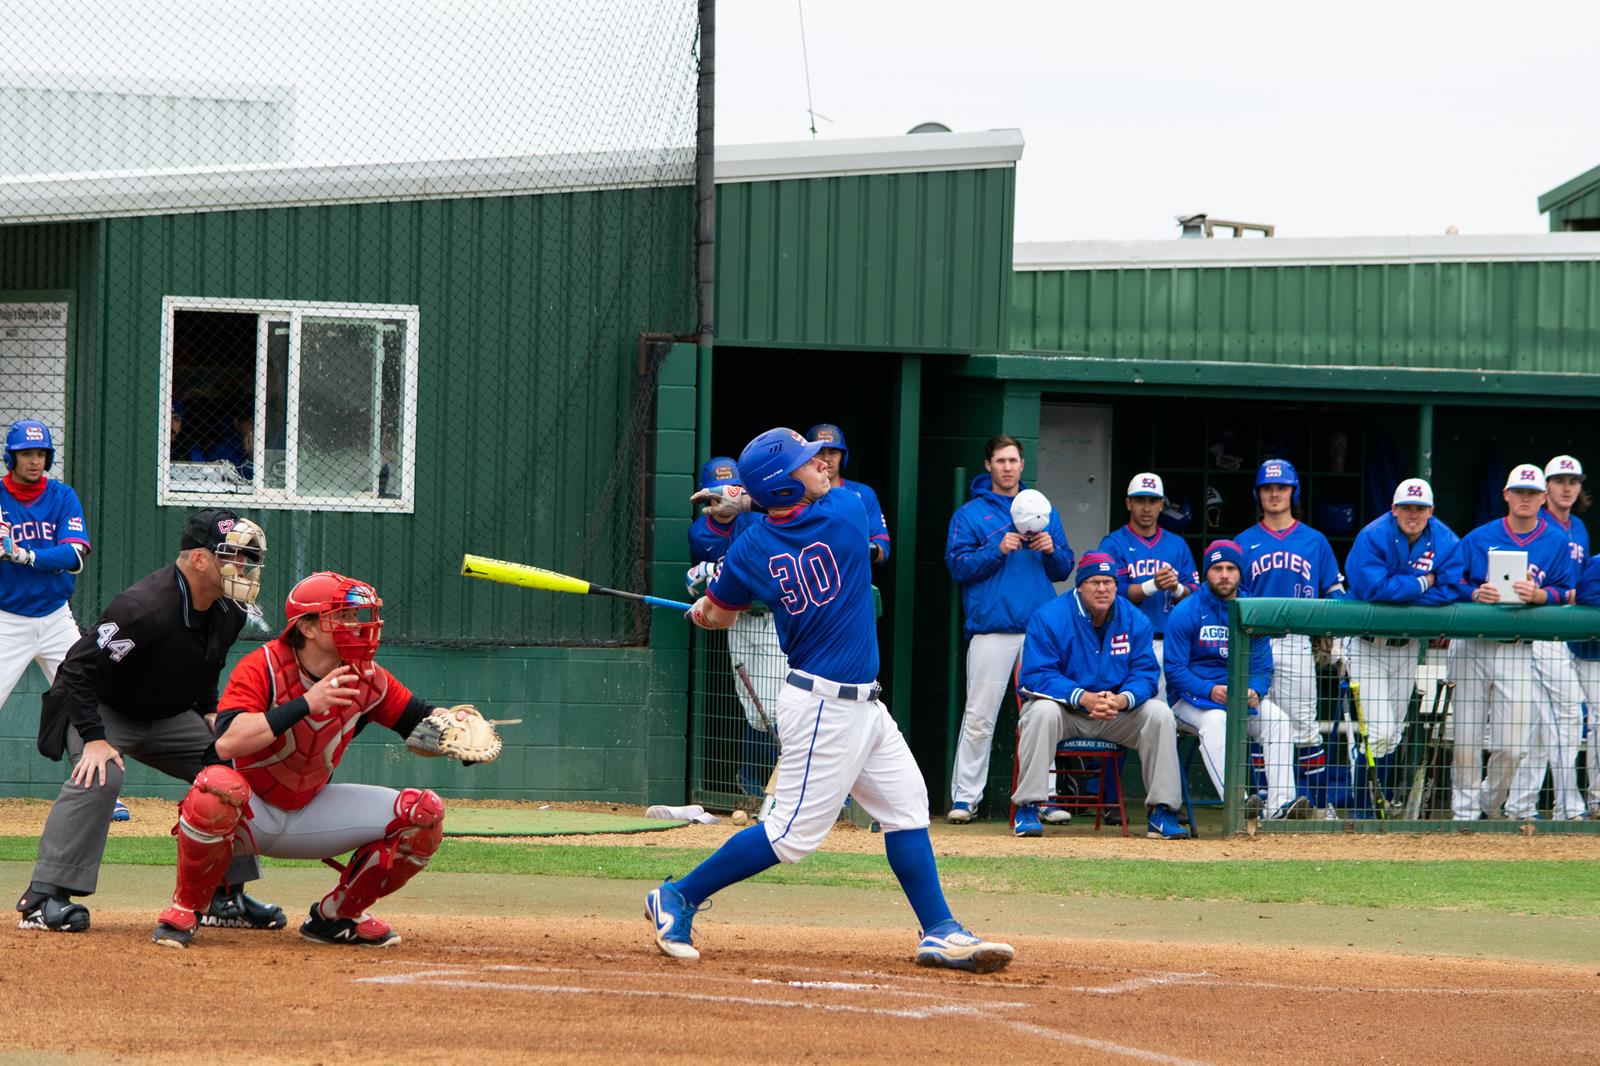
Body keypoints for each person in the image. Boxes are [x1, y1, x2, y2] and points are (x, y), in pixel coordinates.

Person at [656, 427, 1014, 972]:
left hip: (860, 705)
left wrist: (704, 608)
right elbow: (790, 509)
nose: (824, 466)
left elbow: (720, 613)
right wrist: (750, 503)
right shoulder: (846, 511)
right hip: (824, 706)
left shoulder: (751, 547)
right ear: (783, 487)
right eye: (809, 462)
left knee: (907, 807)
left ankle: (939, 930)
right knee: (790, 837)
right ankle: (676, 896)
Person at [151, 571, 460, 948]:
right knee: (214, 788)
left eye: (355, 616)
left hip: (312, 810)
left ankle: (336, 917)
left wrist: (456, 726)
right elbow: (229, 742)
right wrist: (306, 704)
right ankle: (187, 908)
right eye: (342, 616)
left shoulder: (367, 676)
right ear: (309, 627)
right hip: (251, 813)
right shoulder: (262, 666)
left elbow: (420, 718)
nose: (357, 625)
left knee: (424, 813)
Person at [17, 509, 279, 933]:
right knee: (100, 773)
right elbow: (78, 670)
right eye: (233, 556)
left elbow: (207, 665)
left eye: (247, 557)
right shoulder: (145, 608)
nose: (244, 566)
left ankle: (223, 896)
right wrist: (95, 738)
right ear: (198, 560)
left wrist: (211, 711)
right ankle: (44, 896)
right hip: (102, 708)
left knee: (228, 766)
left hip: (169, 715)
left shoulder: (228, 610)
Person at [1009, 552, 1189, 841]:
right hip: (1065, 712)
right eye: (1094, 582)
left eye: (1108, 582)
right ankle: (1029, 807)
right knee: (1040, 712)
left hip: (1114, 713)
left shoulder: (1134, 619)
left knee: (1160, 714)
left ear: (1117, 586)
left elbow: (1145, 674)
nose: (1103, 588)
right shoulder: (1050, 617)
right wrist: (1082, 697)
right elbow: (1035, 676)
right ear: (1080, 586)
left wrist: (1122, 700)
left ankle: (1162, 812)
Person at [944, 434, 1074, 824]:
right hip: (991, 628)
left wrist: (1051, 549)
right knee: (979, 716)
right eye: (1000, 460)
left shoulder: (1041, 507)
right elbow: (957, 567)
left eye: (1013, 460)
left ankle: (1045, 796)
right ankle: (966, 799)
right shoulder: (970, 514)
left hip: (1037, 630)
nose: (1007, 467)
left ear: (1022, 465)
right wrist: (996, 549)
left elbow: (1065, 568)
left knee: (1043, 713)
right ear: (988, 465)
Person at [1451, 464, 1576, 821]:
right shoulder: (1478, 537)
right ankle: (1463, 814)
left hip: (1519, 646)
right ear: (1507, 495)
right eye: (1519, 491)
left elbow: (1565, 590)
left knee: (1512, 746)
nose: (1525, 498)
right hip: (1473, 644)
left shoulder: (1556, 542)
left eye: (1532, 493)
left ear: (1542, 498)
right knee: (1466, 739)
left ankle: (1489, 804)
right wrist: (1475, 592)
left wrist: (1539, 596)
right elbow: (1451, 581)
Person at [1342, 478, 1462, 816]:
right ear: (1394, 509)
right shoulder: (1372, 535)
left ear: (1431, 511)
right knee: (1377, 730)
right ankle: (1362, 810)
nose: (1413, 513)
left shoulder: (1446, 539)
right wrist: (1424, 582)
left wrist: (1404, 592)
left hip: (1407, 645)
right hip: (1366, 642)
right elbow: (1373, 590)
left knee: (1391, 734)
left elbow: (1451, 589)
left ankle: (1380, 806)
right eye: (1407, 507)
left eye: (1420, 508)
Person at [1164, 539, 1304, 819]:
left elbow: (1263, 668)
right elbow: (1175, 670)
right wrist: (1209, 689)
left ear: (1240, 572)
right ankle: (1239, 804)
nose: (1224, 574)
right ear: (1207, 572)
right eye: (1217, 568)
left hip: (1238, 697)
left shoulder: (1252, 610)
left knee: (1278, 720)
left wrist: (1255, 690)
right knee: (1217, 721)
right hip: (1190, 701)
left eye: (1230, 568)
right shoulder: (1186, 611)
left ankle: (1279, 807)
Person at [1235, 459, 1345, 811]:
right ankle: (1268, 801)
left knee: (1303, 727)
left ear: (1292, 492)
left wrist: (1336, 637)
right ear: (1258, 494)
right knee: (1257, 722)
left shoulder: (1314, 541)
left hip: (1298, 641)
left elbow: (1335, 593)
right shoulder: (1243, 542)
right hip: (1255, 643)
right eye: (1268, 488)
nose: (1274, 494)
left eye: (1281, 488)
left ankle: (1317, 804)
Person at [0, 420, 98, 809]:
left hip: (57, 618)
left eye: (40, 454)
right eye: (26, 453)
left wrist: (24, 554)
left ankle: (99, 790)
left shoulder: (62, 496)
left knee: (88, 697)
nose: (35, 461)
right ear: (12, 457)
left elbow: (73, 556)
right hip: (7, 620)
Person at [685, 456, 779, 796]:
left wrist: (713, 572)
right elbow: (707, 588)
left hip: (772, 618)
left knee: (774, 705)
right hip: (735, 620)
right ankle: (753, 781)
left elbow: (755, 570)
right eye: (716, 492)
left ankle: (781, 786)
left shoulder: (757, 517)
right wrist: (701, 582)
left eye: (732, 489)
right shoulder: (699, 533)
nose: (724, 498)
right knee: (754, 709)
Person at [1504, 455, 1591, 821]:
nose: (1566, 488)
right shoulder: (1533, 528)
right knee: (1568, 714)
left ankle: (1521, 805)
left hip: (1567, 633)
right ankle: (1568, 807)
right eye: (1559, 481)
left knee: (1546, 724)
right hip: (1538, 631)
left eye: (1573, 481)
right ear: (1546, 491)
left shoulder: (1579, 529)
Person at [1098, 472, 1199, 703]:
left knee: (1163, 712)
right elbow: (1110, 593)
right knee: (1127, 707)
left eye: (1153, 501)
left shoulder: (1177, 545)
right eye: (1140, 500)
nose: (1146, 508)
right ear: (1128, 503)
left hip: (1170, 639)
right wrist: (1152, 585)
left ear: (1161, 504)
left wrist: (1176, 588)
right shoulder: (1113, 543)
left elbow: (1194, 594)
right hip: (1125, 639)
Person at [805, 424, 891, 565]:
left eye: (833, 452)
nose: (826, 458)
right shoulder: (798, 494)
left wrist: (848, 544)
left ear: (842, 457)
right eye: (819, 451)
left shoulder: (863, 494)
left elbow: (883, 551)